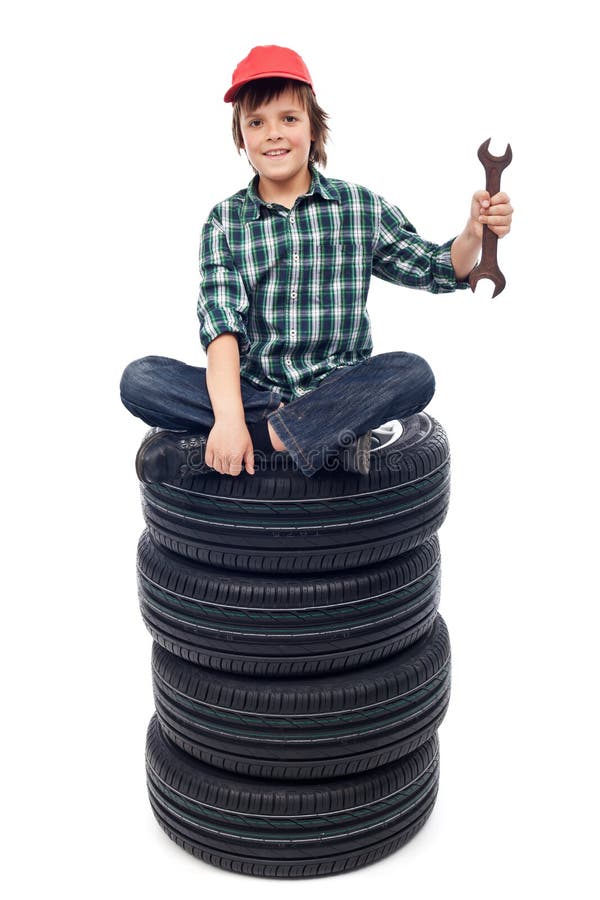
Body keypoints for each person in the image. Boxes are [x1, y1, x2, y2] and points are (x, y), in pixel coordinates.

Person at [120, 44, 513, 482]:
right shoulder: (225, 221)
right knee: (142, 379)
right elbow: (221, 327)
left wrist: (474, 232)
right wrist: (229, 419)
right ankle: (305, 435)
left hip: (337, 388)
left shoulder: (359, 206)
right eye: (257, 122)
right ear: (241, 138)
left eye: (289, 119)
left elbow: (438, 267)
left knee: (413, 373)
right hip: (254, 392)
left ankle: (285, 433)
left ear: (313, 129)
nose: (274, 133)